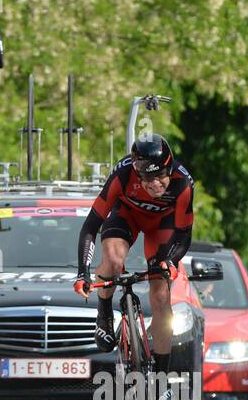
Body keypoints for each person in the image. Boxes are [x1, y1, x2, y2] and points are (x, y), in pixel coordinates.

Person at [73, 133, 194, 382]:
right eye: (148, 178)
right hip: (127, 215)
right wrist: (82, 272)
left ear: (169, 168)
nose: (156, 184)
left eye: (161, 175)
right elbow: (91, 226)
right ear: (138, 174)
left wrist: (169, 262)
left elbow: (183, 234)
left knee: (161, 293)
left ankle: (161, 375)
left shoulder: (182, 183)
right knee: (114, 259)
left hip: (164, 227)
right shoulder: (123, 175)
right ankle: (105, 314)